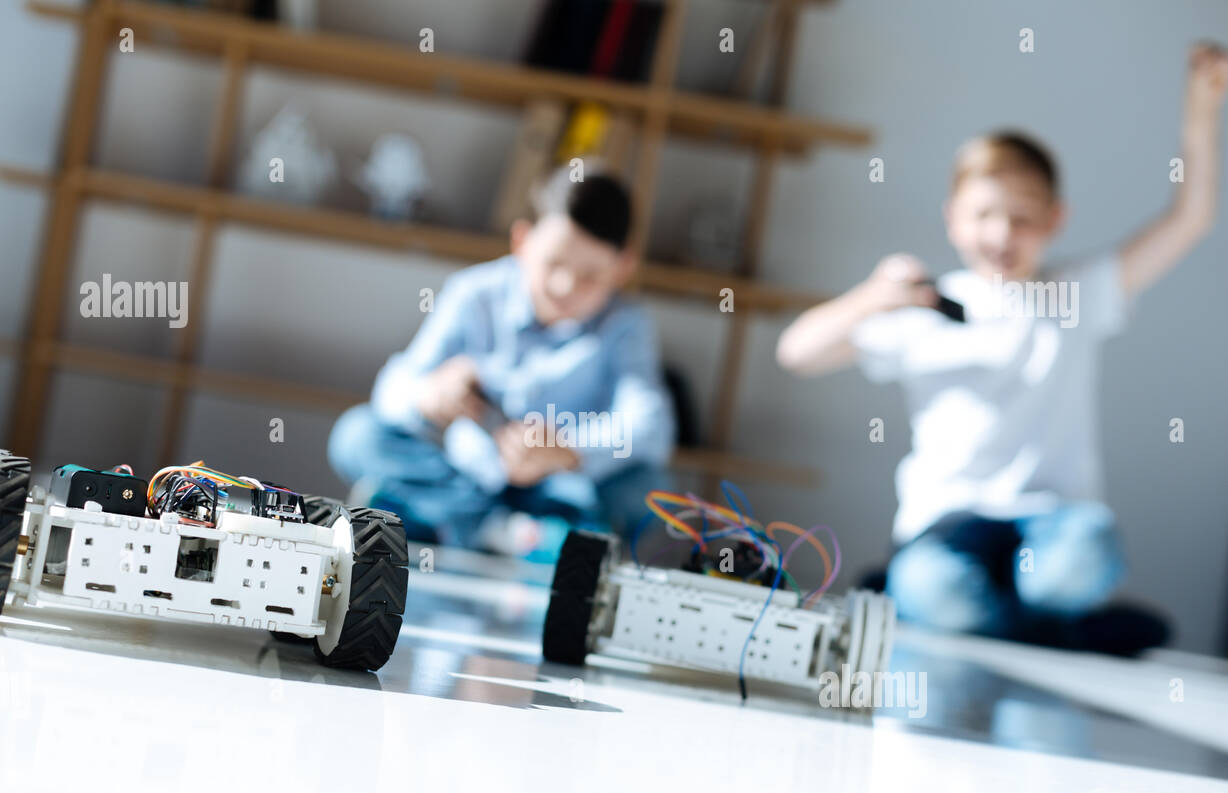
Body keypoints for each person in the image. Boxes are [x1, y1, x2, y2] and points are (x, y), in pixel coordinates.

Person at [776, 44, 1228, 649]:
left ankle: (992, 612)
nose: (1002, 232)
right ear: (952, 218)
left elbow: (1190, 219)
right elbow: (797, 353)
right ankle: (1056, 631)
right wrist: (873, 297)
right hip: (946, 523)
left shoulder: (1074, 295)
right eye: (984, 214)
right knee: (940, 590)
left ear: (1056, 219)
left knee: (1079, 564)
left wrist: (1201, 109)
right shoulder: (920, 306)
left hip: (1052, 523)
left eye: (1022, 217)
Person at [329, 167, 674, 553]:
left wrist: (569, 451)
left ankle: (451, 526)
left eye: (590, 276)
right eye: (553, 264)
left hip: (555, 490)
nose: (565, 287)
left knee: (644, 488)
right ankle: (508, 534)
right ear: (522, 241)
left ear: (623, 268)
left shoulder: (627, 324)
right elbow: (393, 389)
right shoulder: (474, 293)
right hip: (465, 478)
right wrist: (429, 393)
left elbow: (650, 425)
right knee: (357, 435)